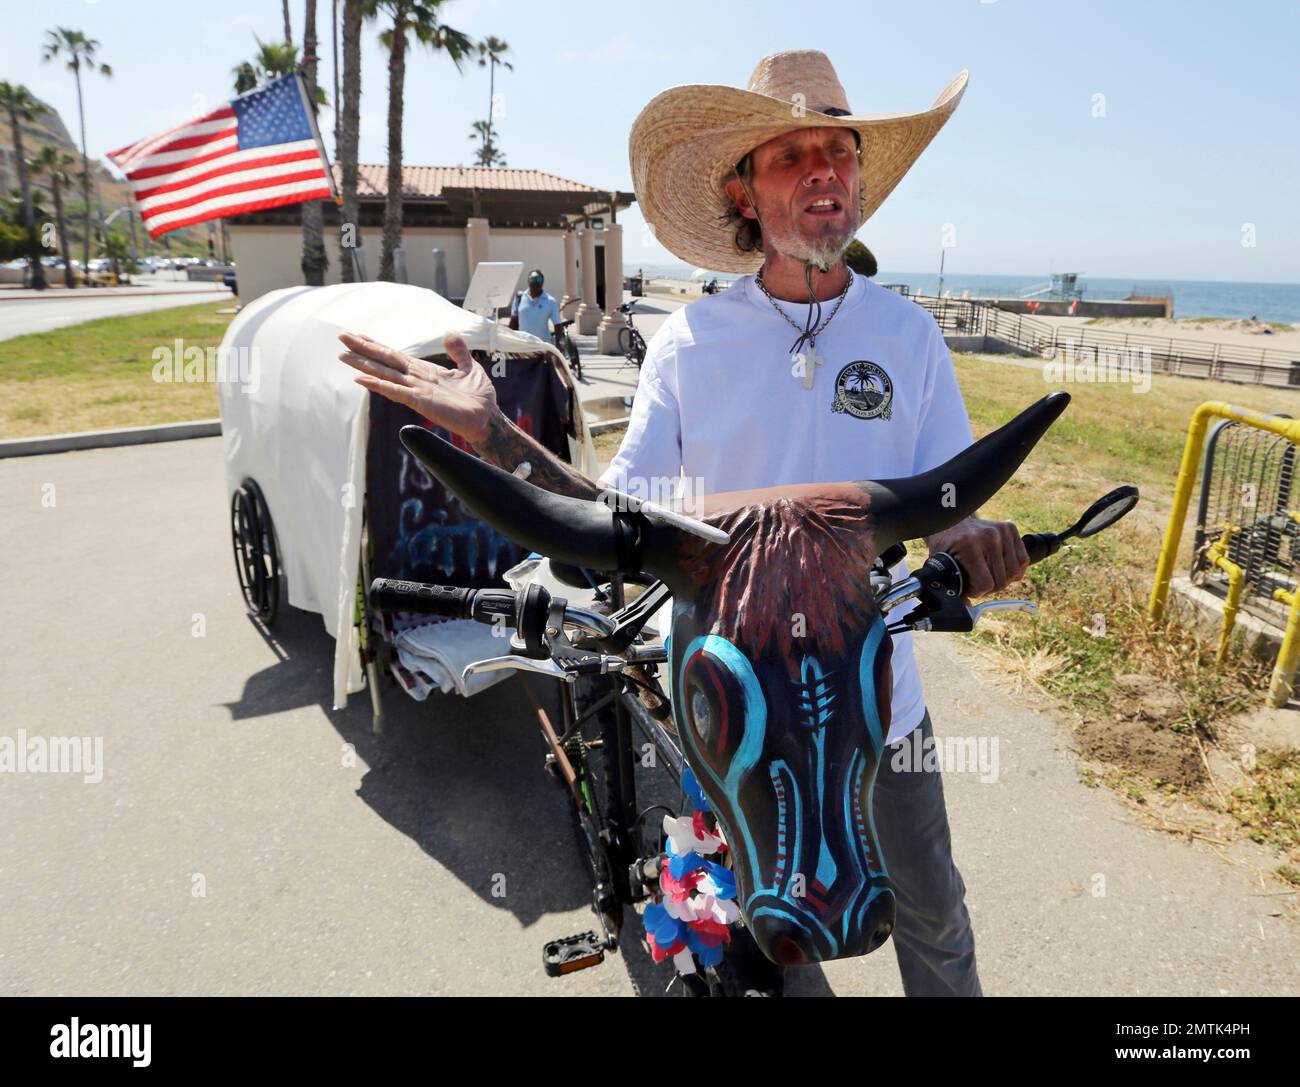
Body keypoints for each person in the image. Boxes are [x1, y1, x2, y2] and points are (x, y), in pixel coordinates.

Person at [339, 50, 1023, 997]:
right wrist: (495, 431)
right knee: (768, 930)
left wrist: (971, 542)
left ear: (861, 176)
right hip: (738, 711)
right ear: (746, 192)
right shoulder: (691, 347)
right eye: (791, 155)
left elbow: (950, 501)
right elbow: (609, 519)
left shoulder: (907, 336)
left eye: (841, 149)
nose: (824, 169)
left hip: (881, 704)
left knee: (933, 909)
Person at [508, 268, 563, 342]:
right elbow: (513, 322)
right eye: (533, 279)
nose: (536, 282)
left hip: (542, 345)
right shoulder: (519, 298)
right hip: (523, 345)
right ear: (528, 281)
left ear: (542, 282)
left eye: (539, 279)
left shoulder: (550, 301)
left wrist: (558, 343)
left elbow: (557, 324)